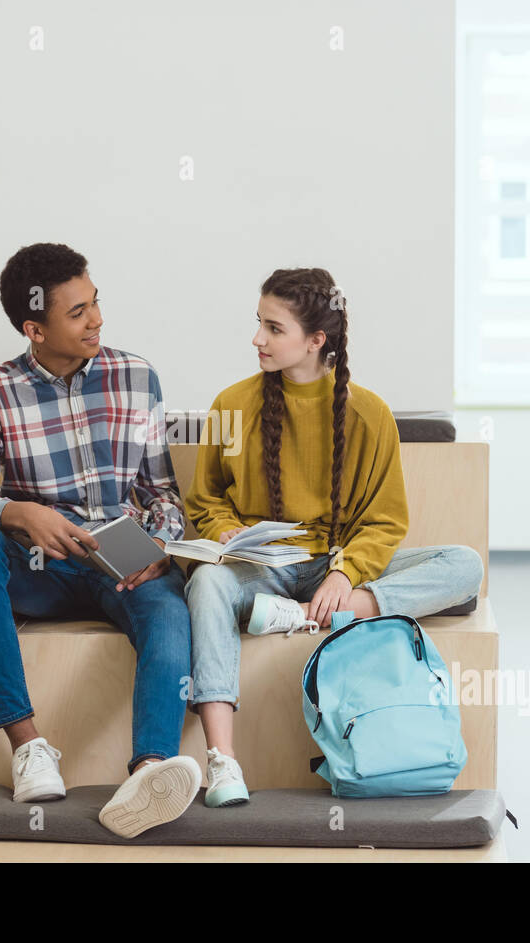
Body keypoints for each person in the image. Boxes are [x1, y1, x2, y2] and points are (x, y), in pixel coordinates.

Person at [183, 267, 485, 808]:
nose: (258, 339)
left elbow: (386, 521)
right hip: (262, 570)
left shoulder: (369, 414)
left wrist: (348, 576)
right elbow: (205, 498)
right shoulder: (232, 403)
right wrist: (226, 531)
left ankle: (323, 613)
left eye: (273, 328)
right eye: (259, 324)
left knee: (463, 565)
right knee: (206, 582)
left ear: (316, 340)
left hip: (338, 569)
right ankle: (222, 759)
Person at [0, 242, 201, 838]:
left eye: (96, 304)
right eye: (78, 312)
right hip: (41, 565)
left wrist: (158, 545)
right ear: (34, 328)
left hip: (121, 557)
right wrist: (18, 511)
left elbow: (162, 493)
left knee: (169, 608)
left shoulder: (137, 377)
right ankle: (28, 747)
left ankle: (149, 771)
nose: (97, 321)